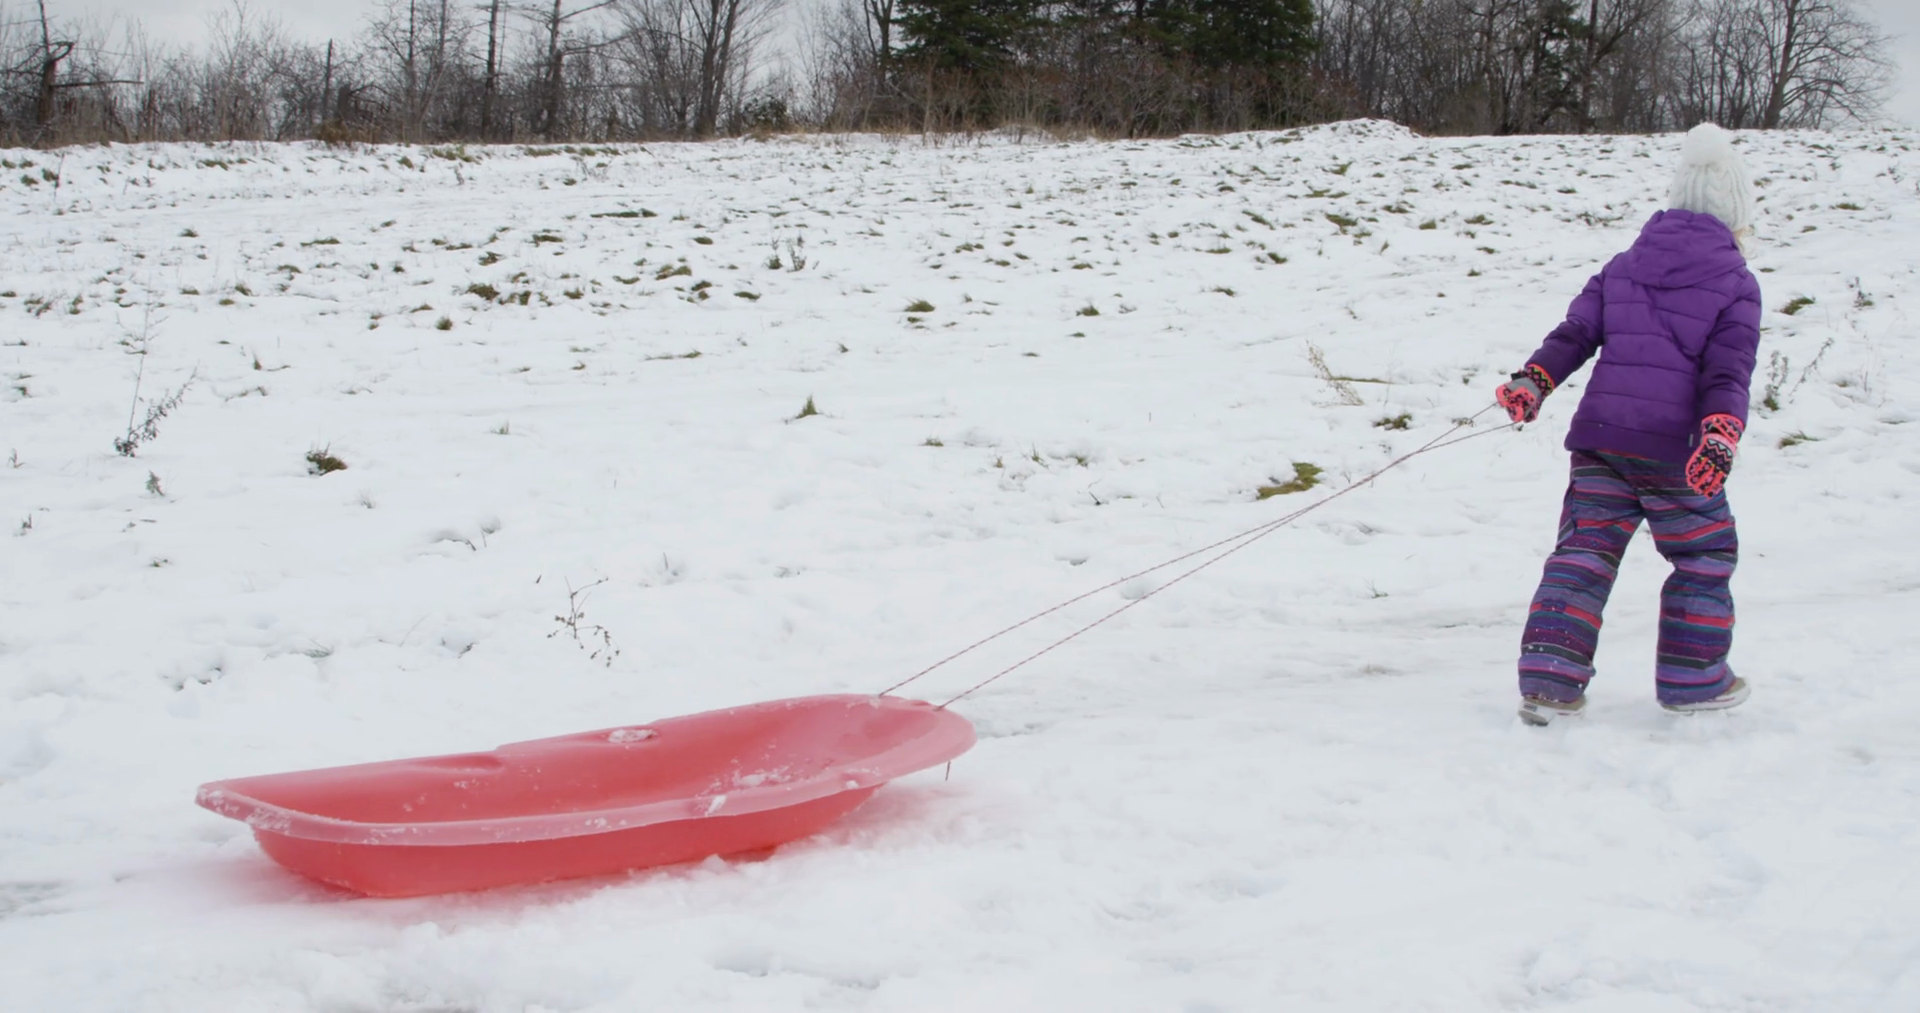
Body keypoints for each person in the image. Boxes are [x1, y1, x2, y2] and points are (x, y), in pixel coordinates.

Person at [1495, 123, 1761, 726]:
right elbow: (1728, 371)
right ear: (1736, 218)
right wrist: (1720, 433)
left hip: (1602, 441)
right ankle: (1693, 682)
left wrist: (1534, 380)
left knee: (1583, 554)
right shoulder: (1736, 284)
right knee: (1703, 555)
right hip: (1679, 453)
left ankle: (1549, 683)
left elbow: (1575, 334)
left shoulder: (1623, 266)